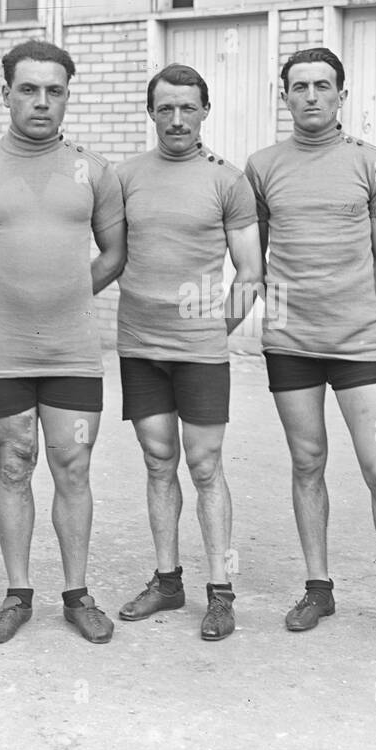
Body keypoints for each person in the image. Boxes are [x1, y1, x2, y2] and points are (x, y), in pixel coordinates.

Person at [243, 47, 376, 647]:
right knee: (307, 462)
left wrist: (352, 310)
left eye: (322, 86)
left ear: (342, 94)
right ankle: (318, 588)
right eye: (299, 86)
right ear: (285, 97)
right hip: (289, 344)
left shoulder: (373, 163)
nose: (311, 96)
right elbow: (253, 260)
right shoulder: (261, 167)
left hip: (356, 343)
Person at [0, 40, 126, 645]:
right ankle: (17, 596)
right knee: (13, 464)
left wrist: (69, 292)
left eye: (54, 91)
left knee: (73, 466)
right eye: (28, 89)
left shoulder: (92, 170)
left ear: (67, 95)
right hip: (3, 350)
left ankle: (77, 594)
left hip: (72, 349)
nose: (42, 102)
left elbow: (115, 252)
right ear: (7, 93)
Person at [114, 63, 263, 641]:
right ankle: (167, 580)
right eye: (165, 108)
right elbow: (105, 254)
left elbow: (251, 272)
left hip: (200, 351)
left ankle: (221, 591)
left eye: (188, 108)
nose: (177, 119)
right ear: (151, 112)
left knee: (204, 465)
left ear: (206, 110)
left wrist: (212, 331)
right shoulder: (122, 177)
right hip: (139, 348)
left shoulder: (227, 179)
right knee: (157, 463)